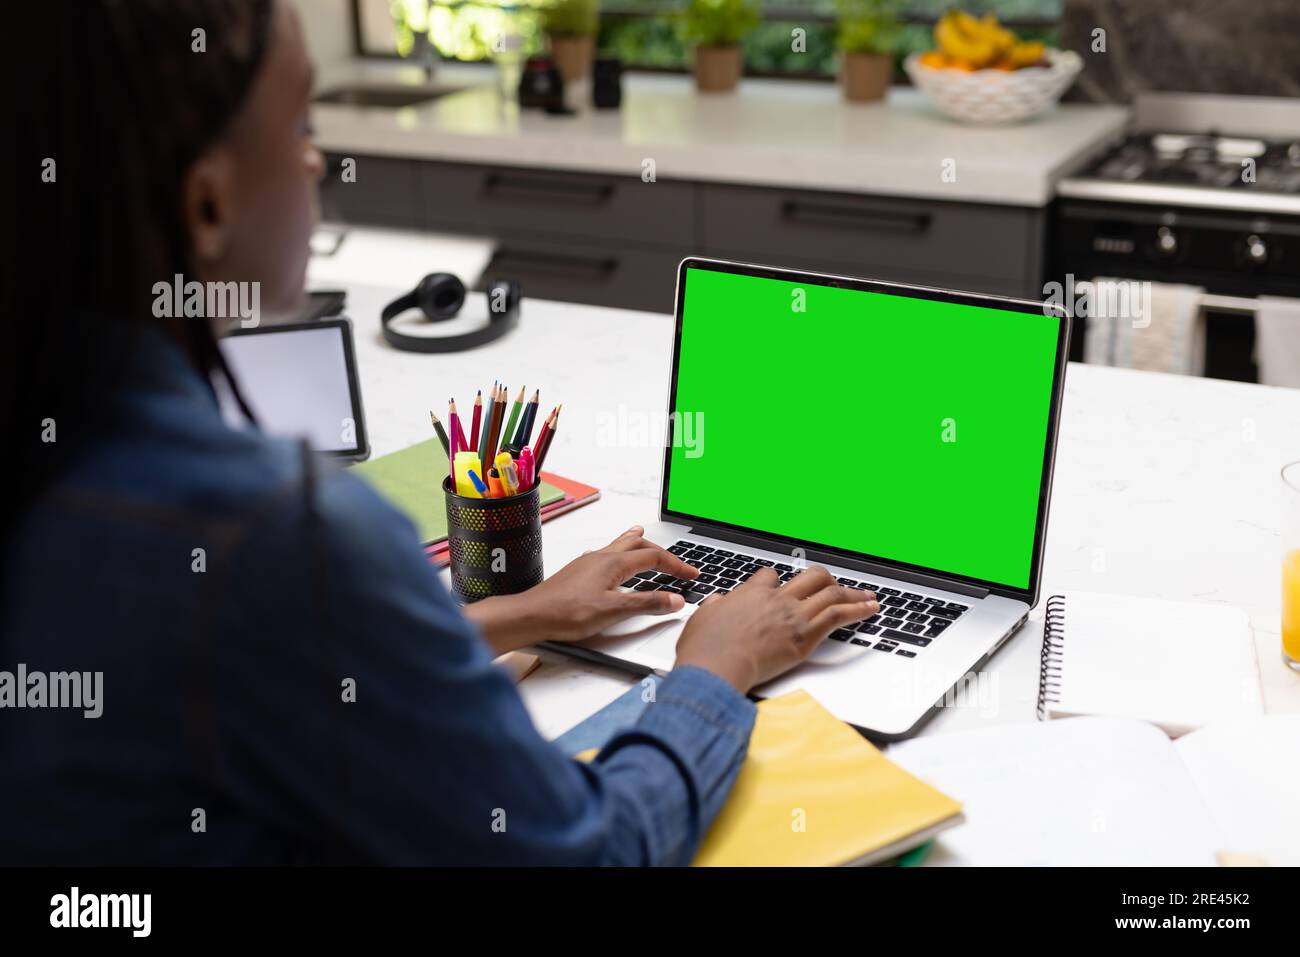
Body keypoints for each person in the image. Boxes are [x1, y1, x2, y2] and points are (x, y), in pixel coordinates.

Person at [0, 0, 880, 865]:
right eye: (301, 125)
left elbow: (274, 675)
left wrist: (524, 613)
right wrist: (713, 673)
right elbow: (590, 851)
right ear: (208, 205)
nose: (317, 159)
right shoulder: (277, 536)